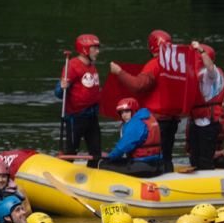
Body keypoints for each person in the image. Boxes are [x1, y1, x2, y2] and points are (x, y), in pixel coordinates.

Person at [109, 30, 182, 174]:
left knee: (157, 155)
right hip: (172, 119)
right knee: (167, 156)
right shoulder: (176, 65)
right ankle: (169, 174)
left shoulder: (154, 64)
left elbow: (138, 86)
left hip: (158, 121)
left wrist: (119, 72)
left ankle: (156, 178)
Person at [56, 33, 103, 167]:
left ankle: (93, 173)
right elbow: (59, 93)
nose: (98, 52)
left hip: (92, 116)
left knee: (96, 152)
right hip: (75, 117)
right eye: (94, 48)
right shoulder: (72, 66)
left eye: (98, 48)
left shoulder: (92, 66)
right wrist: (61, 87)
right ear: (85, 49)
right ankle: (63, 172)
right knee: (71, 152)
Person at [185, 43, 224, 171]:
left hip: (208, 122)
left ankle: (207, 173)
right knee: (194, 158)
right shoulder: (195, 72)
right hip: (196, 120)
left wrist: (201, 51)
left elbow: (210, 67)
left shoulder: (211, 73)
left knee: (205, 160)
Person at [101, 97, 162, 177]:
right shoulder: (148, 117)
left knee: (102, 164)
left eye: (127, 111)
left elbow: (123, 147)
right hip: (158, 164)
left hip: (143, 166)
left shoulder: (135, 123)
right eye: (121, 112)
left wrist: (109, 157)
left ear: (134, 110)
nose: (124, 115)